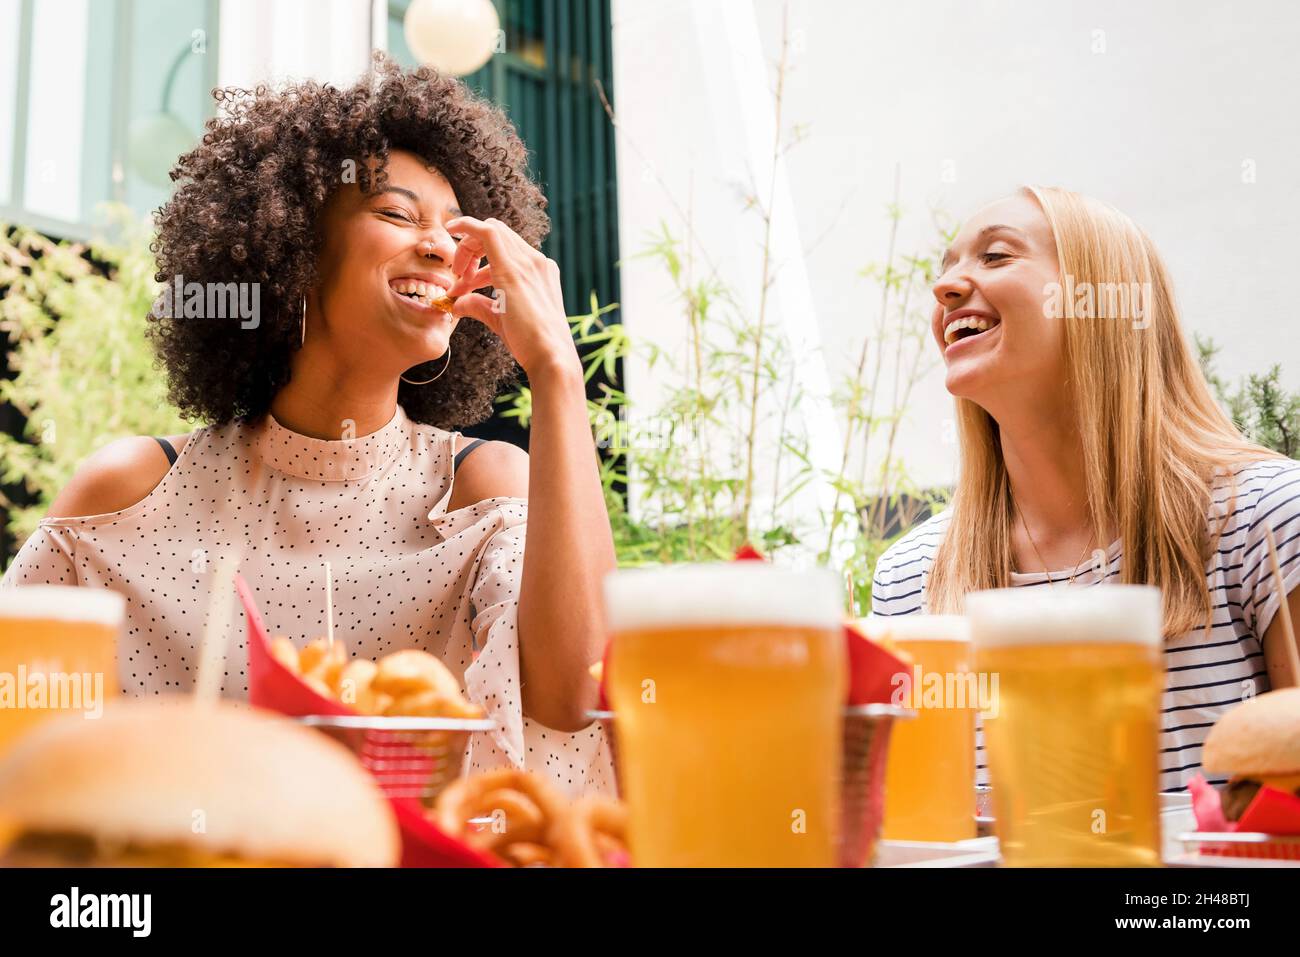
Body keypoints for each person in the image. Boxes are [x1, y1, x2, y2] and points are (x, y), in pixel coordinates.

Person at [0, 54, 617, 798]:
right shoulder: (127, 498)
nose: (439, 246)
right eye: (396, 213)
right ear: (292, 248)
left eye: (455, 233)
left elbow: (573, 695)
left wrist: (557, 371)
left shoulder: (481, 491)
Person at [870, 185, 1300, 792]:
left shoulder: (1267, 517)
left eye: (996, 257)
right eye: (946, 269)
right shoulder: (910, 579)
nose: (946, 288)